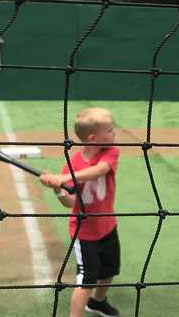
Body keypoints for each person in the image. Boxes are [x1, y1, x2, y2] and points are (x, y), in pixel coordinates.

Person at [40, 107, 122, 317]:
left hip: (107, 225)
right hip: (84, 233)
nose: (114, 134)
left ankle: (98, 302)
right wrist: (58, 188)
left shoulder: (110, 152)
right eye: (110, 130)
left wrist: (64, 179)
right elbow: (71, 203)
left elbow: (100, 170)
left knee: (110, 269)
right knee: (87, 279)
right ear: (94, 138)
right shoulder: (71, 164)